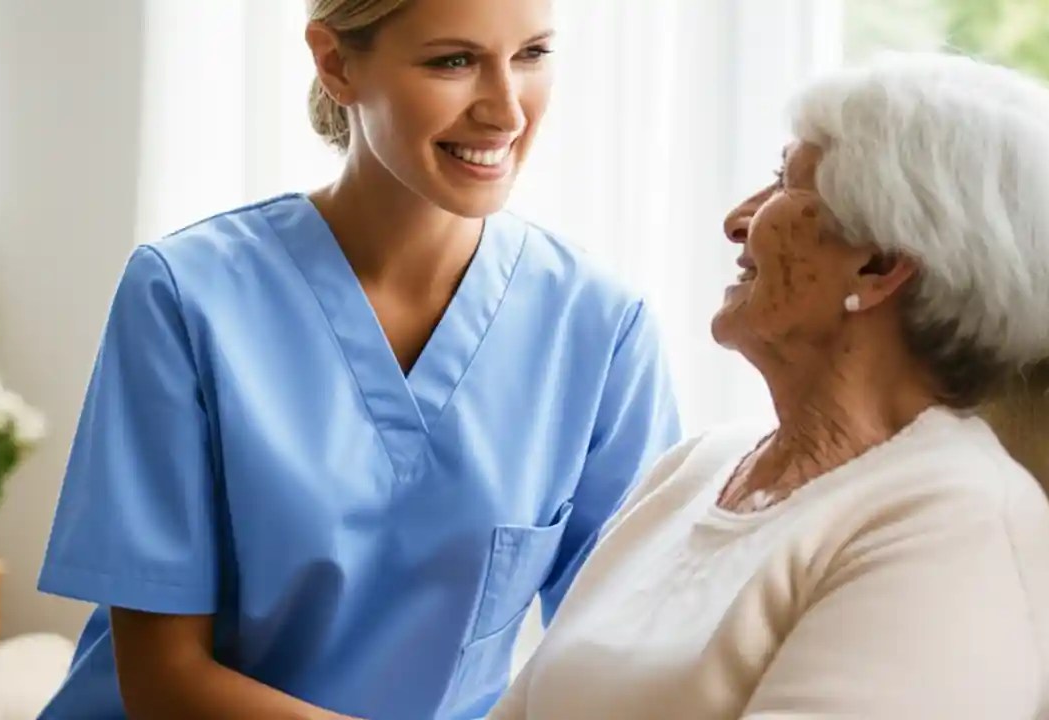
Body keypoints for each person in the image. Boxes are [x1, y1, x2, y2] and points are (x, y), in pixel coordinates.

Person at [35, 0, 681, 717]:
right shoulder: (186, 294)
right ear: (336, 63)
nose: (507, 112)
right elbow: (163, 680)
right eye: (454, 61)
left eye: (531, 54)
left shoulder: (599, 327)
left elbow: (626, 652)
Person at [489, 52, 1049, 720]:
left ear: (878, 264)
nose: (737, 219)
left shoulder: (956, 533)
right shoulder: (698, 468)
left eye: (784, 182)